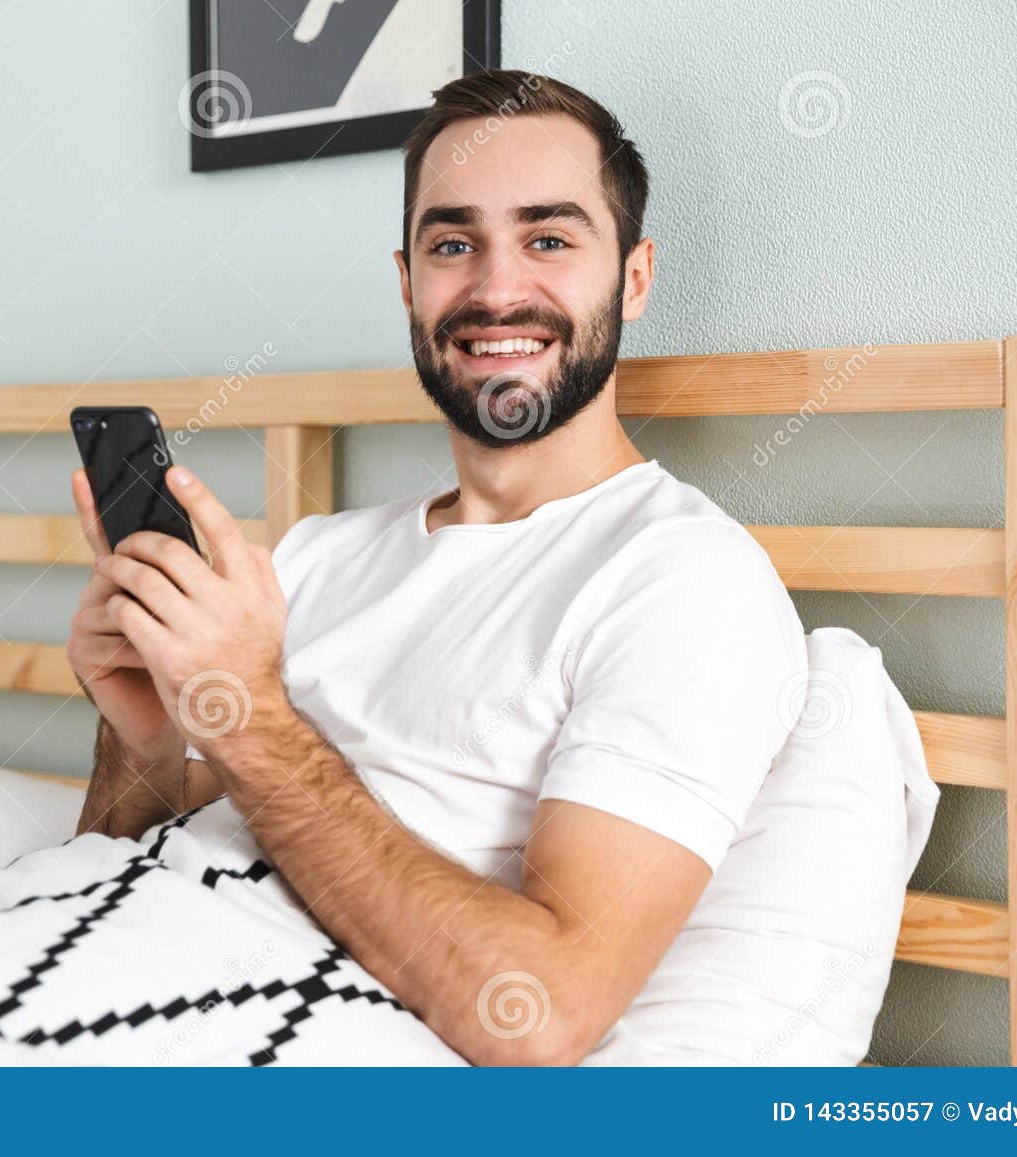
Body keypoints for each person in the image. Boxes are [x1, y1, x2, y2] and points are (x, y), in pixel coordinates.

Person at [65, 70, 806, 1066]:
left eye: (548, 238)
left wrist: (248, 704)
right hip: (71, 962)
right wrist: (142, 739)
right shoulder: (310, 557)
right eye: (453, 243)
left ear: (633, 275)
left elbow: (537, 1012)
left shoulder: (682, 579)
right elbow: (116, 870)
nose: (497, 288)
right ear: (408, 281)